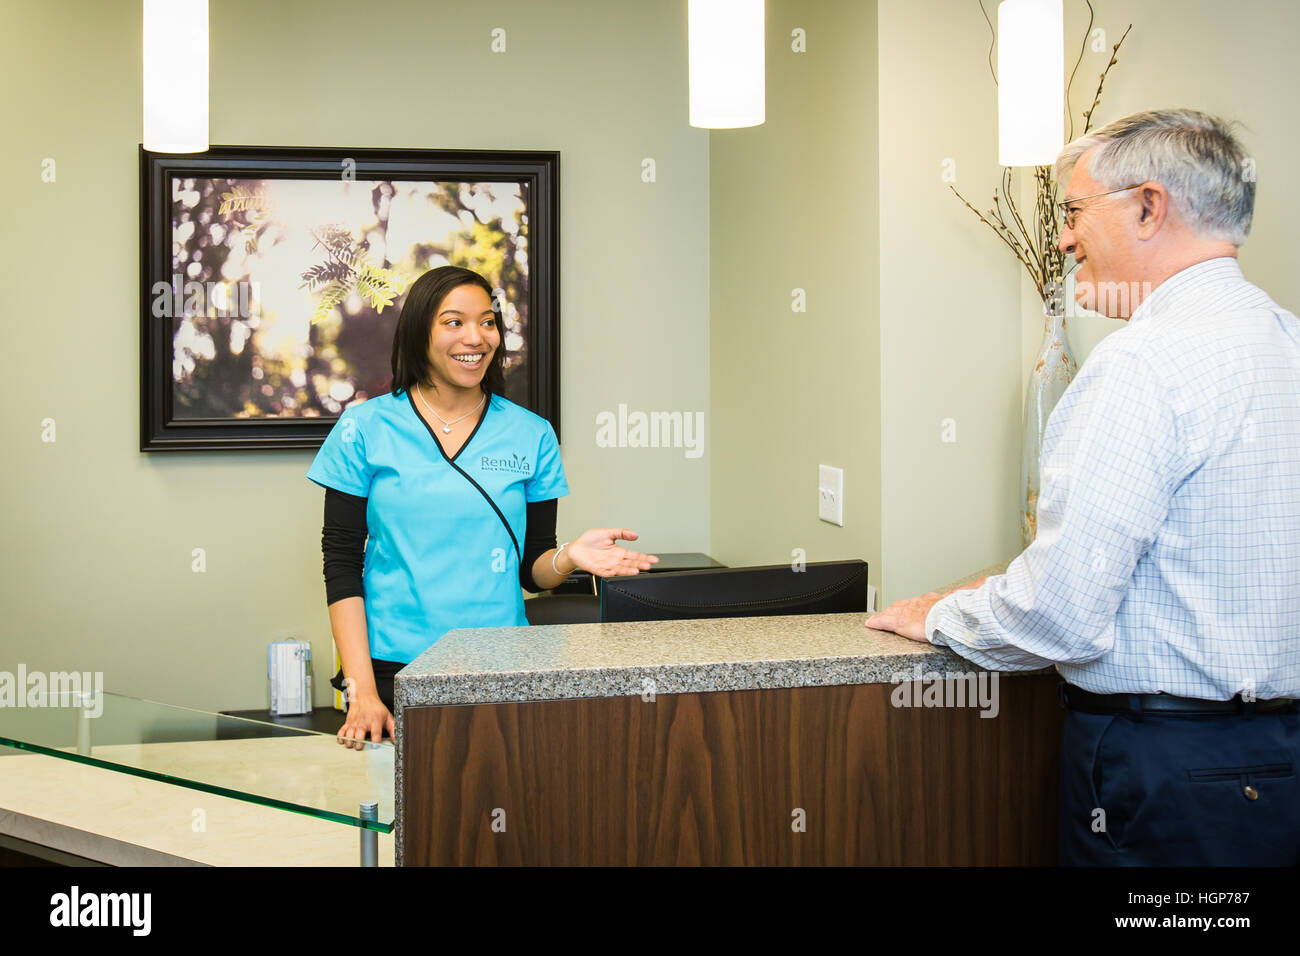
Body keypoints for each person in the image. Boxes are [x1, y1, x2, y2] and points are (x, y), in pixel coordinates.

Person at [865, 109, 1300, 865]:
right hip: (1278, 765)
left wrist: (940, 616)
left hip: (1165, 775)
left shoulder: (1144, 364)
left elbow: (1059, 616)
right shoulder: (1287, 341)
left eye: (1073, 213)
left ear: (1148, 205)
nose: (1063, 240)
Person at [307, 265, 657, 749]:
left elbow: (532, 572)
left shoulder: (532, 433)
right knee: (400, 822)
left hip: (503, 666)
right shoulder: (364, 428)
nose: (475, 336)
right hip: (393, 673)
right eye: (453, 322)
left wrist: (569, 557)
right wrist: (362, 689)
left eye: (488, 321)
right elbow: (341, 564)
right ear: (419, 333)